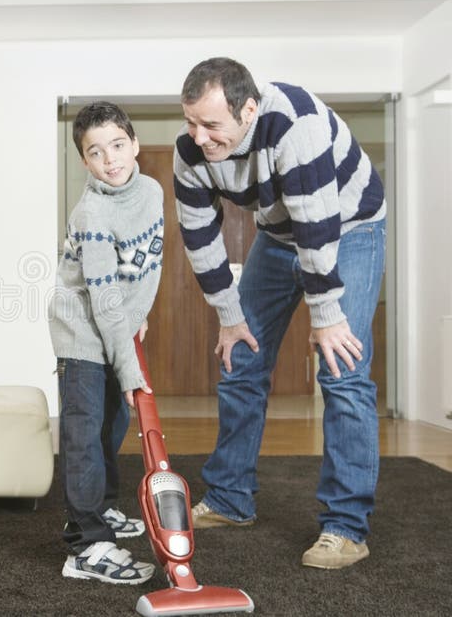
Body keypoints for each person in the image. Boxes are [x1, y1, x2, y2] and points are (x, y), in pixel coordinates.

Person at [173, 57, 386, 570]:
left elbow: (317, 229)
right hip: (279, 234)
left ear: (248, 110)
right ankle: (229, 499)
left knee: (342, 370)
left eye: (211, 125)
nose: (199, 137)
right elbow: (200, 238)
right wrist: (229, 316)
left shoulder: (297, 124)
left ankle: (346, 528)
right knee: (241, 357)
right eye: (191, 122)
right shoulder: (191, 153)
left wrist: (326, 315)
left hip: (348, 229)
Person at [49, 101, 164, 585]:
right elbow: (104, 298)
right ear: (85, 162)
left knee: (112, 424)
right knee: (84, 432)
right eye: (96, 153)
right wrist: (130, 363)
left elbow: (149, 266)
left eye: (118, 145)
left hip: (118, 326)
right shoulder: (92, 212)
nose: (111, 160)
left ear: (134, 143)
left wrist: (141, 319)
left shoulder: (153, 191)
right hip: (82, 330)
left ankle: (102, 507)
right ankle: (86, 544)